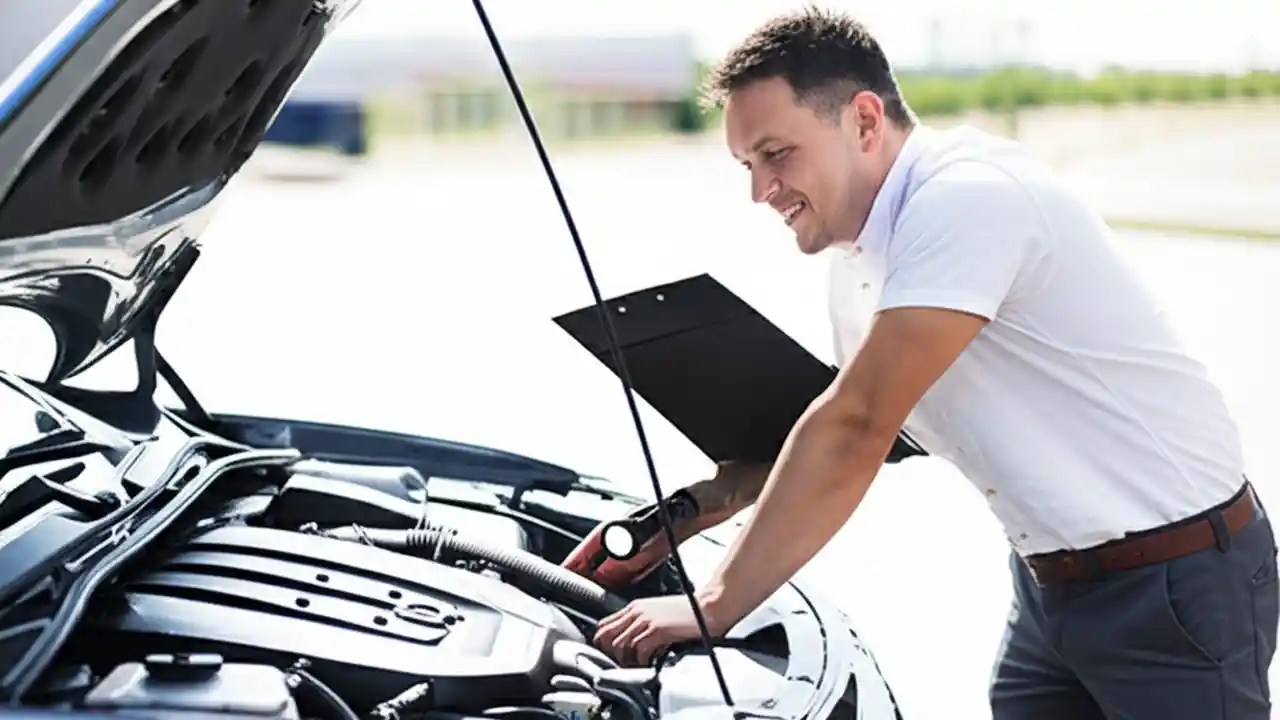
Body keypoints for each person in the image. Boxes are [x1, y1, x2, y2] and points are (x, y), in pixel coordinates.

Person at [586, 6, 1279, 719]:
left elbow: (854, 429)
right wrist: (686, 512)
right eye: (747, 166)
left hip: (1177, 584)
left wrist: (713, 604)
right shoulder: (862, 256)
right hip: (1053, 587)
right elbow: (874, 436)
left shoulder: (966, 199)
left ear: (862, 120)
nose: (760, 191)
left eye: (776, 154)